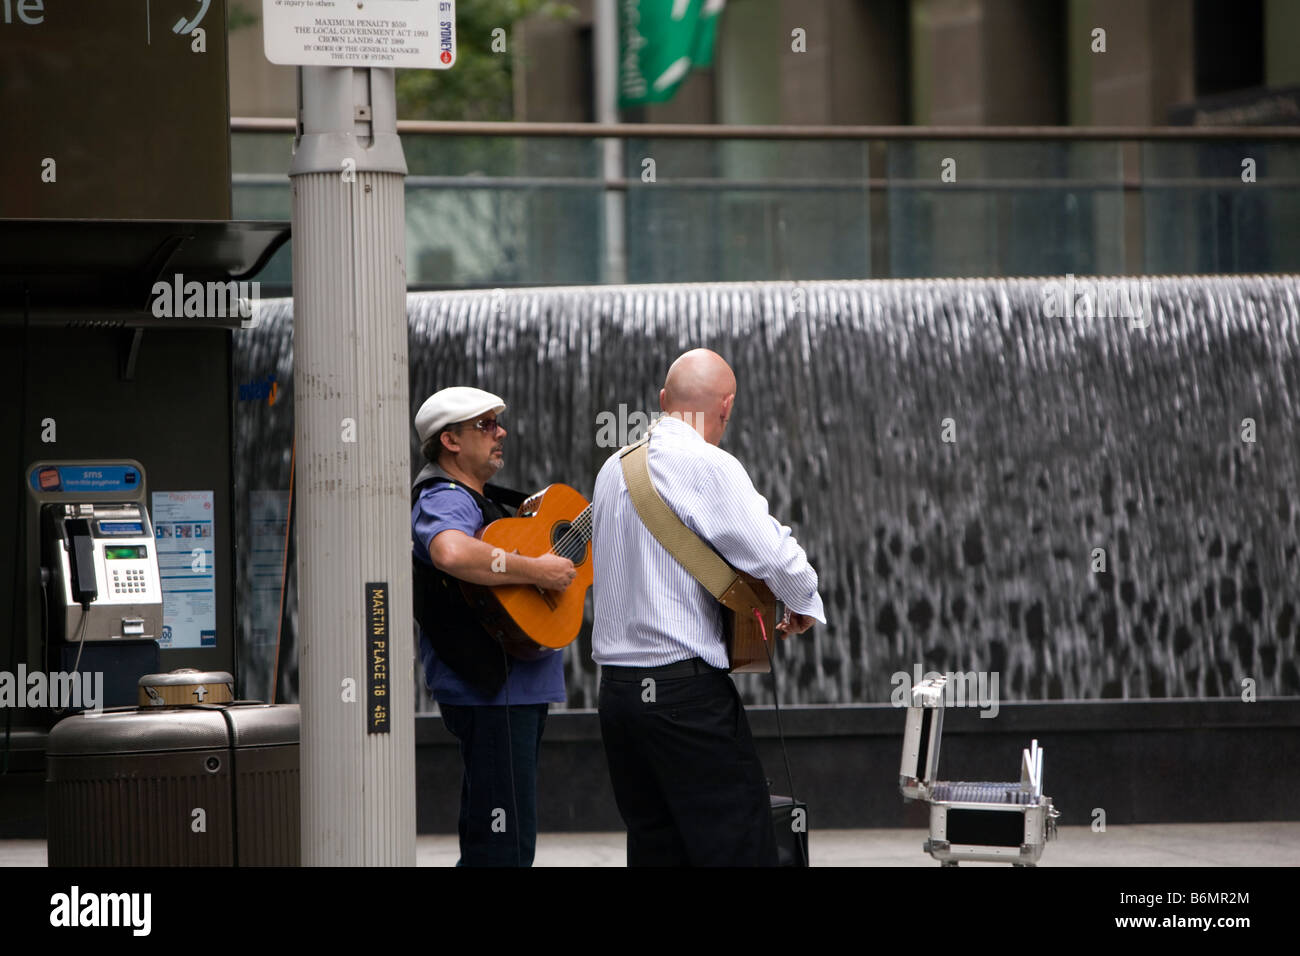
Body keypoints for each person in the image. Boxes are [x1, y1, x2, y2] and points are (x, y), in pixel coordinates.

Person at [591, 348, 826, 866]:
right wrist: (803, 599)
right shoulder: (708, 465)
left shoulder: (612, 470)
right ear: (726, 406)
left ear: (661, 401)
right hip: (684, 696)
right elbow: (773, 554)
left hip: (618, 697)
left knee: (656, 848)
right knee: (737, 845)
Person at [411, 386, 576, 866]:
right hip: (492, 691)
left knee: (502, 839)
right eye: (485, 425)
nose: (500, 432)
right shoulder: (446, 497)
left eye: (498, 423)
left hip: (509, 688)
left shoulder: (480, 500)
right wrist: (537, 570)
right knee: (502, 848)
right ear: (451, 442)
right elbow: (451, 551)